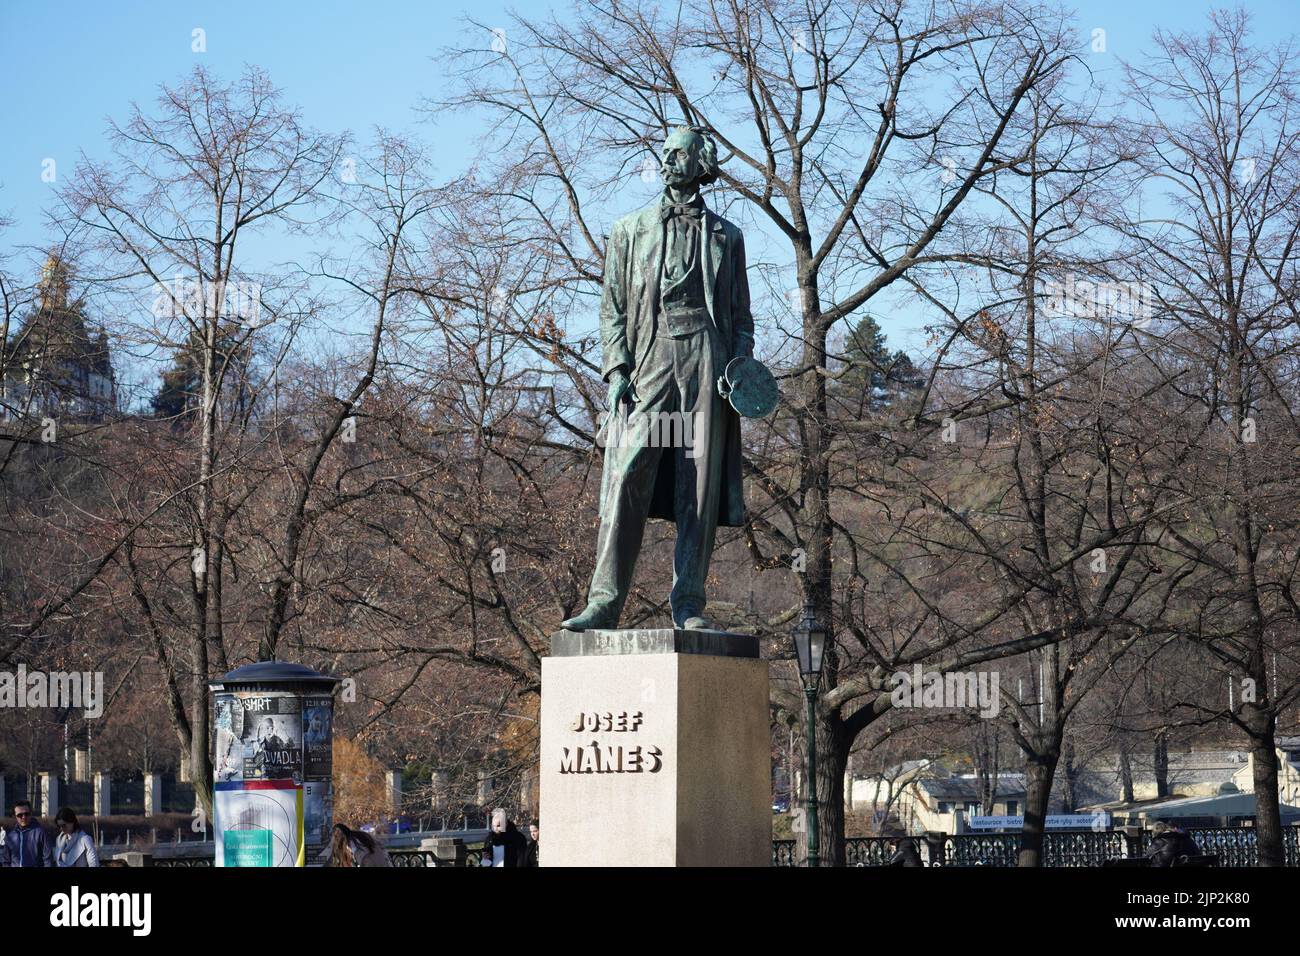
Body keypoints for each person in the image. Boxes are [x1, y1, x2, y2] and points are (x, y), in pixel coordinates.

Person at [560, 125, 754, 633]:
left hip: (705, 363)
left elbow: (742, 319)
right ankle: (603, 602)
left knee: (698, 488)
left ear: (700, 163)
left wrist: (740, 370)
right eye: (665, 153)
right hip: (650, 360)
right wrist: (616, 368)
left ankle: (689, 603)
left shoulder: (727, 237)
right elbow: (612, 308)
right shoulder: (628, 230)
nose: (669, 160)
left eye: (679, 153)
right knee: (627, 475)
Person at [2, 801, 55, 867]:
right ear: (14, 816)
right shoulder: (10, 835)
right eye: (20, 815)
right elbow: (6, 861)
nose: (23, 817)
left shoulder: (40, 833)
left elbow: (48, 859)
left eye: (26, 814)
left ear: (31, 814)